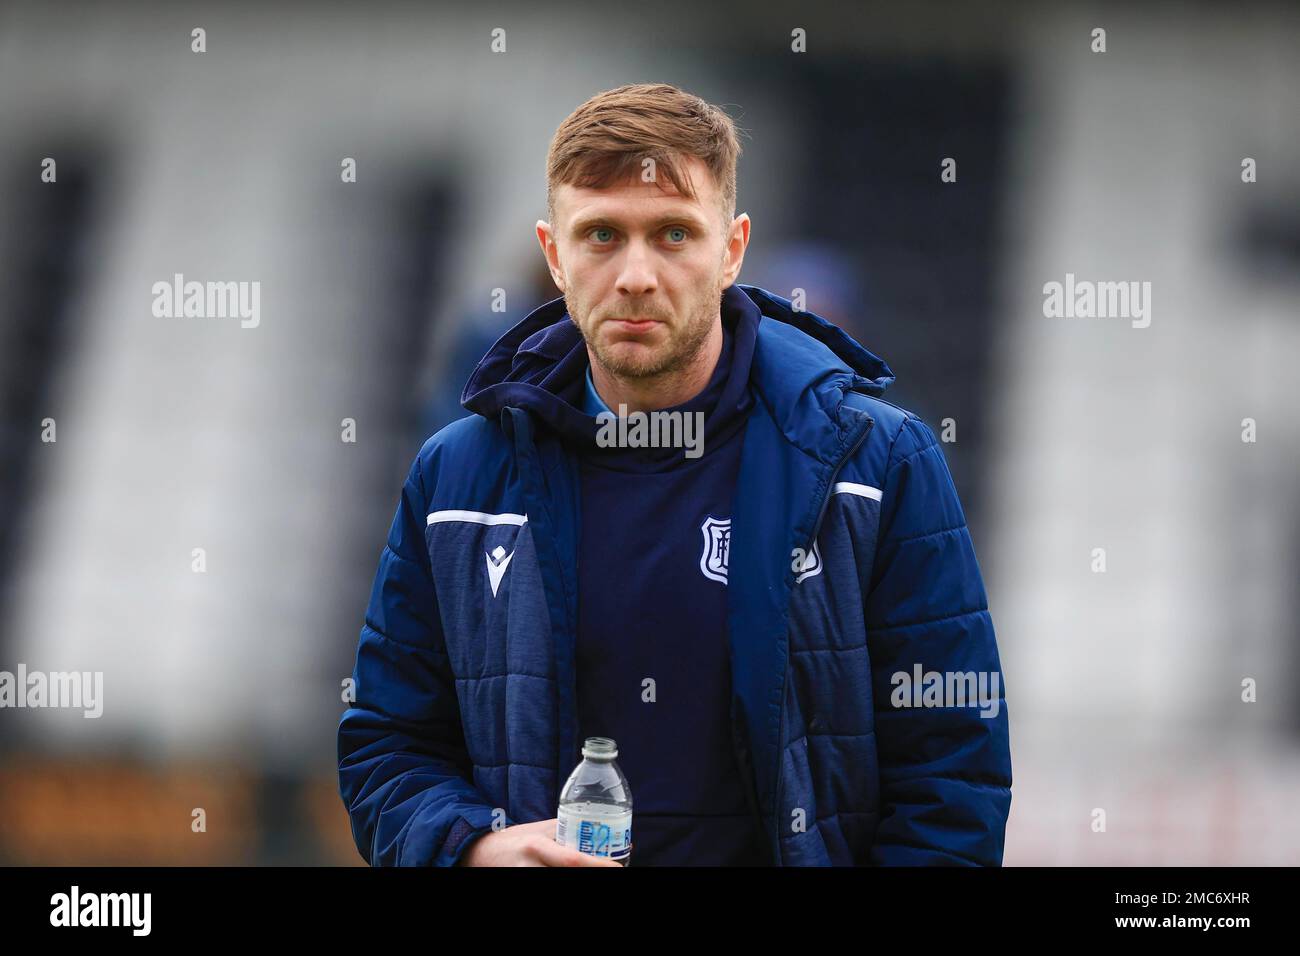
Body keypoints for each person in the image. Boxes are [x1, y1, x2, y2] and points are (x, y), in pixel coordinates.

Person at [337, 82, 1012, 866]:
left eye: (672, 234)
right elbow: (388, 744)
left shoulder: (877, 465)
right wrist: (475, 849)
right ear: (554, 256)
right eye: (600, 236)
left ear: (731, 251)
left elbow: (953, 777)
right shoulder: (456, 477)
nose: (635, 274)